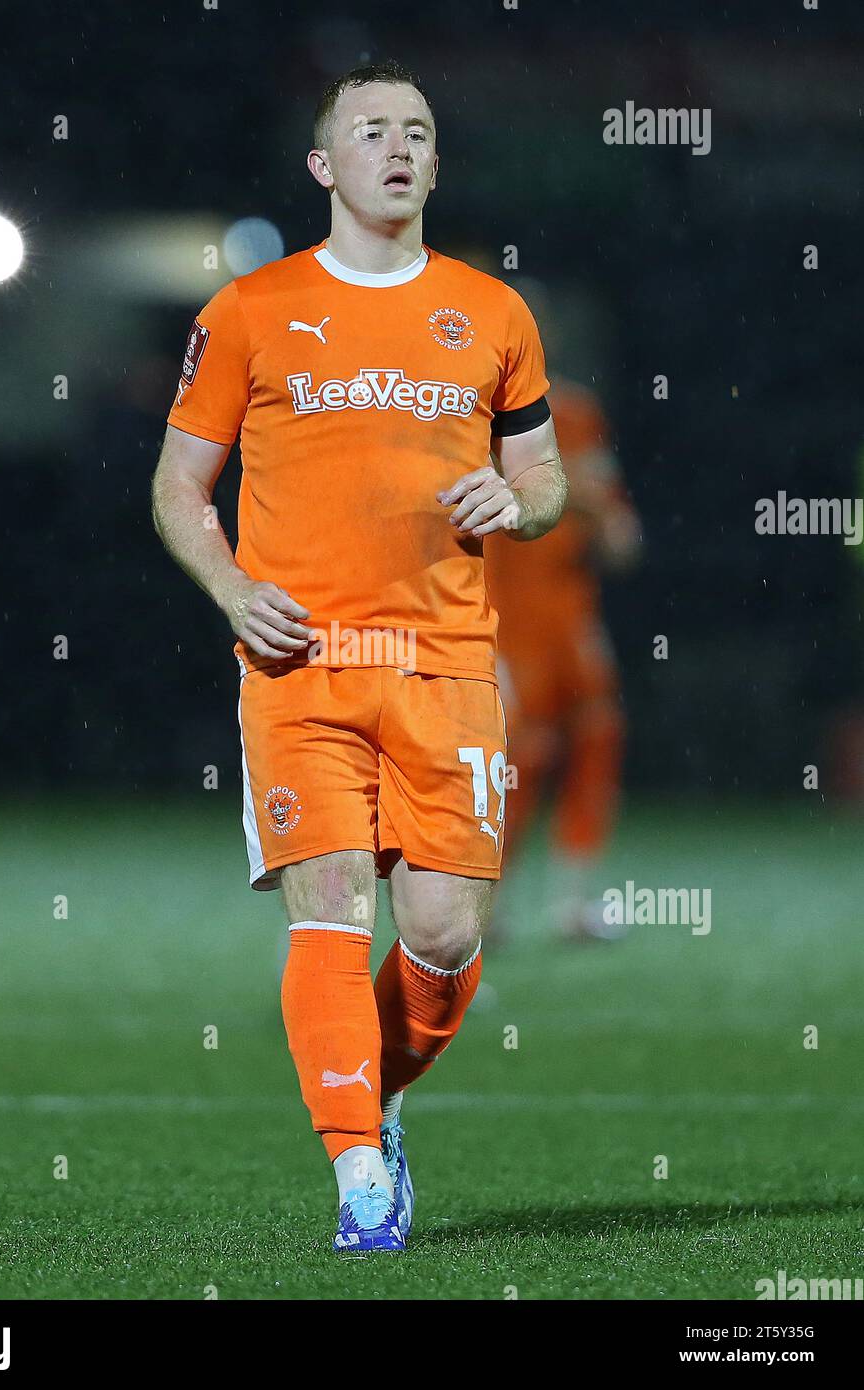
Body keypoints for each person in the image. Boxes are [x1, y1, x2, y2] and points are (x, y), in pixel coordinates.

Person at [151, 61, 566, 1252]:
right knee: (328, 911)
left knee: (439, 934)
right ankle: (358, 1182)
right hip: (301, 667)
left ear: (436, 165)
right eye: (371, 131)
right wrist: (233, 587)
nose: (399, 147)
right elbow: (181, 484)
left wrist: (523, 501)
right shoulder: (248, 310)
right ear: (324, 167)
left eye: (419, 132)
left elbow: (545, 479)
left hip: (445, 664)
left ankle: (371, 1089)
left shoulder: (493, 314)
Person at [485, 366, 641, 941]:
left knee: (599, 732)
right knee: (520, 752)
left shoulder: (576, 413)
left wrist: (607, 520)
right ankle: (486, 901)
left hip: (569, 609)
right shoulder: (471, 411)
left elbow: (617, 528)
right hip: (502, 609)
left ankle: (574, 903)